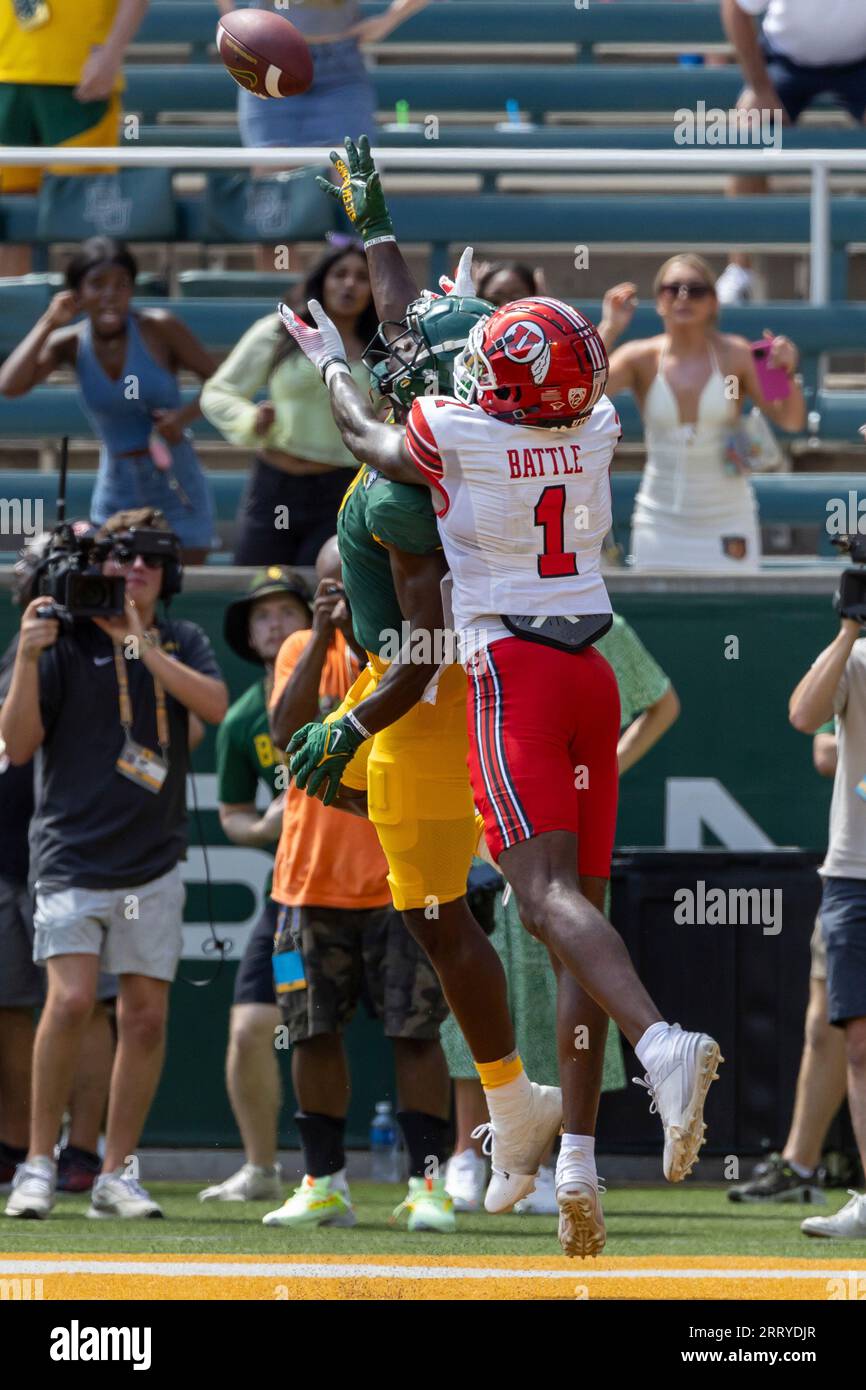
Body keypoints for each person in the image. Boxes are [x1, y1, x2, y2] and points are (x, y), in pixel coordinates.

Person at [282, 282, 723, 1262]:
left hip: (510, 673)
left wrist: (326, 362)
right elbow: (528, 376)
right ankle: (571, 1155)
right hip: (590, 672)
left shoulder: (455, 433)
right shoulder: (598, 422)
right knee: (579, 921)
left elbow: (365, 429)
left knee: (539, 900)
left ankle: (657, 1044)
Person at [2, 507, 228, 1221]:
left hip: (153, 858)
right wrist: (28, 655)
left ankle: (115, 1172)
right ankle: (39, 1162)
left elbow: (215, 708)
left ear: (169, 575)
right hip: (70, 853)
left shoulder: (183, 638)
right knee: (68, 1001)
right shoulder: (61, 640)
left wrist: (142, 647)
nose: (134, 570)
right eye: (122, 558)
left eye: (151, 561)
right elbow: (19, 743)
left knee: (145, 1018)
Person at [443, 615, 680, 1218]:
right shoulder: (565, 607)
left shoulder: (592, 624)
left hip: (527, 763)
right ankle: (479, 1151)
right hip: (499, 772)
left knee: (554, 952)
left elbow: (662, 702)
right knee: (481, 984)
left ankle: (558, 1158)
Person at [262, 537, 454, 1234]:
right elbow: (285, 732)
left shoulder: (411, 654)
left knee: (415, 1032)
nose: (343, 595)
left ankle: (427, 1185)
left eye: (350, 582)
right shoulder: (299, 652)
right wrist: (318, 634)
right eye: (329, 585)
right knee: (308, 1032)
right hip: (305, 884)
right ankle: (324, 1183)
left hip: (399, 877)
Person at [0, 537, 121, 1195]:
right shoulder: (21, 651)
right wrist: (26, 649)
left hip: (76, 859)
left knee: (89, 1002)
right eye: (39, 573)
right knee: (16, 1005)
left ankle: (79, 1149)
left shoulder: (100, 649)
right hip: (9, 859)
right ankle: (18, 1146)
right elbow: (13, 745)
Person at [198, 567, 312, 1206]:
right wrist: (263, 827)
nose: (273, 622)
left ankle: (439, 1170)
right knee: (253, 1027)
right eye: (260, 615)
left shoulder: (349, 689)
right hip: (291, 896)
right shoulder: (243, 719)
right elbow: (232, 814)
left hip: (379, 888)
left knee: (420, 1029)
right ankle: (263, 1168)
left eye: (285, 610)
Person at [0, 238, 217, 563]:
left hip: (174, 480)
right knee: (113, 585)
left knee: (180, 583)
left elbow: (223, 383)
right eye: (97, 285)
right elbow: (10, 385)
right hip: (116, 484)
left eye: (121, 285)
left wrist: (183, 417)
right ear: (77, 293)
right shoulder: (70, 343)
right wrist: (49, 321)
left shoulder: (160, 328)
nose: (110, 296)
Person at [599, 255, 805, 571]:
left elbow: (790, 419)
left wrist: (787, 373)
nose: (683, 296)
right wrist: (610, 328)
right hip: (660, 516)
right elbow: (579, 392)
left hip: (728, 515)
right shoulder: (640, 357)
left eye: (696, 289)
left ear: (713, 302)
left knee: (735, 617)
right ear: (659, 301)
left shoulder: (738, 354)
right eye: (673, 288)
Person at [729, 723, 850, 1204]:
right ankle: (800, 1165)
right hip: (852, 875)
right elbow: (824, 748)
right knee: (825, 1024)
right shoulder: (855, 663)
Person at [200, 243, 377, 566]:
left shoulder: (380, 349)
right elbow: (218, 392)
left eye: (362, 277)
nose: (349, 284)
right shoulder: (281, 332)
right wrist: (250, 419)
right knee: (258, 588)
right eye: (340, 274)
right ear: (322, 279)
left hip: (343, 489)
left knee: (326, 590)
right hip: (275, 486)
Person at [787, 624, 866, 1238]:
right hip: (852, 876)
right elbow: (805, 718)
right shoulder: (856, 654)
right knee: (857, 1042)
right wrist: (845, 630)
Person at [718, 0, 866, 303]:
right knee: (747, 132)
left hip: (861, 63)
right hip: (785, 62)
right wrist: (760, 88)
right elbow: (735, 7)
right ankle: (739, 270)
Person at [0, 0, 149, 275]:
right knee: (8, 221)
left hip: (79, 78)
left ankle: (91, 315)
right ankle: (11, 315)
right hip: (7, 76)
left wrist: (111, 53)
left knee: (88, 218)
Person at [214, 0, 430, 153]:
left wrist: (388, 20)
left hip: (341, 67)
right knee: (275, 186)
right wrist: (230, 17)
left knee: (352, 183)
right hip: (271, 62)